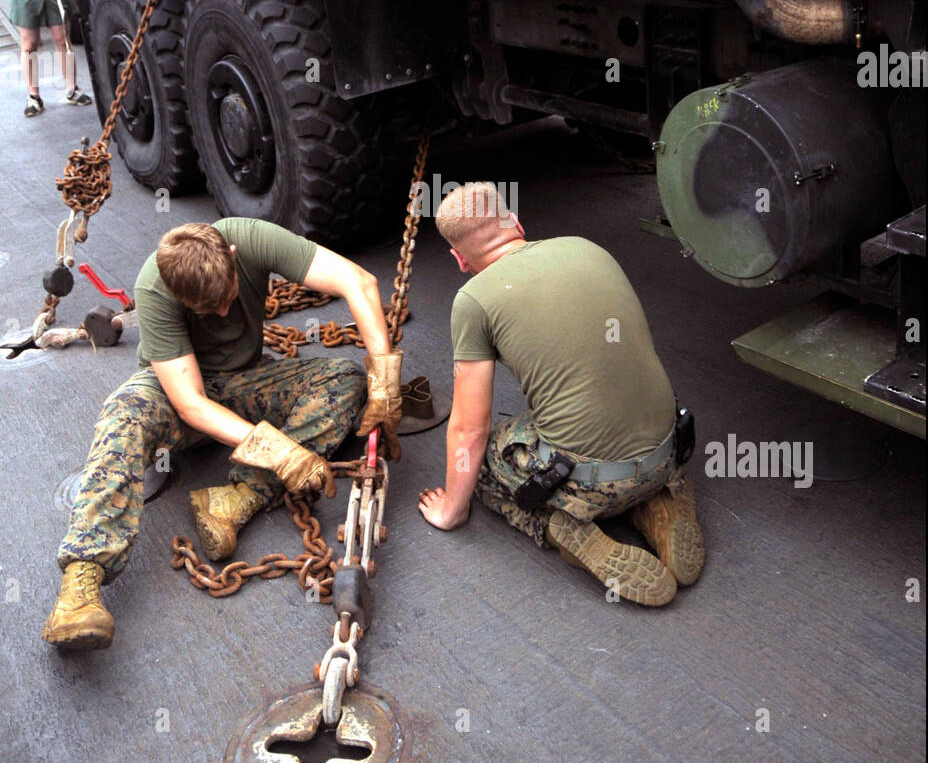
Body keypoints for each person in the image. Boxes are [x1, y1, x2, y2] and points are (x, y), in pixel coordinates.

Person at [41, 218, 403, 651]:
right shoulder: (155, 287)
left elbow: (357, 281)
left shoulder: (250, 238)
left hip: (245, 381)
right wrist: (283, 453)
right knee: (124, 413)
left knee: (343, 379)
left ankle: (236, 498)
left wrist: (384, 385)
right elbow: (191, 402)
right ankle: (81, 583)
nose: (224, 314)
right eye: (208, 311)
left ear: (232, 258)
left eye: (228, 299)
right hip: (178, 390)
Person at [418, 182, 704, 605]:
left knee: (480, 466)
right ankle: (658, 502)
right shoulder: (586, 247)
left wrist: (451, 511)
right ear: (516, 224)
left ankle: (561, 527)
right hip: (668, 450)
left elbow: (468, 429)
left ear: (459, 259)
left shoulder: (474, 300)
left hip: (594, 484)